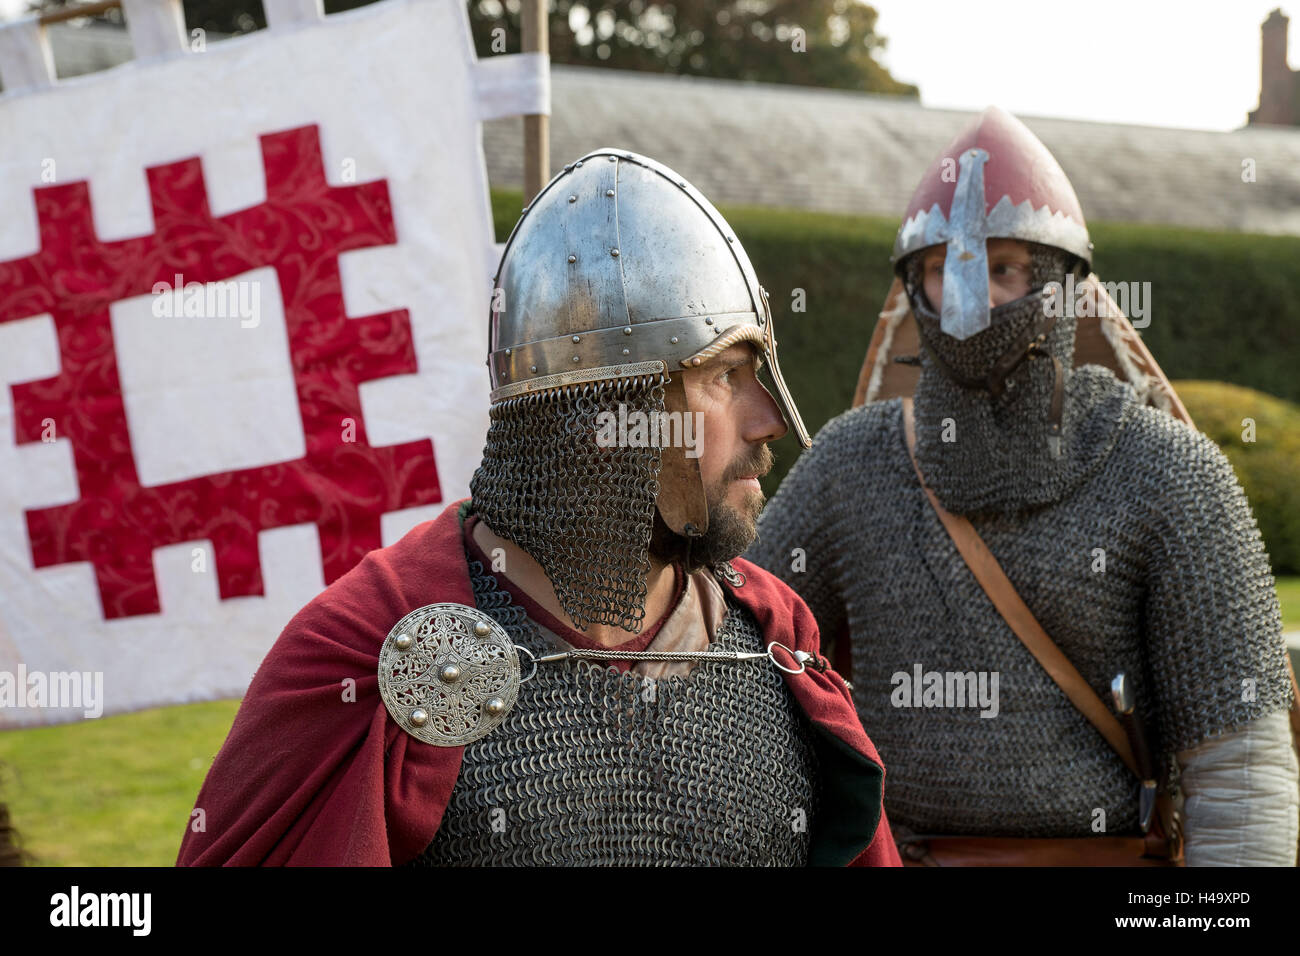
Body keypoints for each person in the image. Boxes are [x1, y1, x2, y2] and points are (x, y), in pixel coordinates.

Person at [176, 149, 901, 867]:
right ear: (603, 418)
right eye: (722, 376)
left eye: (759, 373)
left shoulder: (774, 642)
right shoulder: (374, 655)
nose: (769, 418)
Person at [748, 107, 1299, 866]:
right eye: (945, 268)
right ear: (914, 284)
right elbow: (744, 669)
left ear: (1063, 285)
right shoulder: (851, 468)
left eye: (1003, 267)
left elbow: (1239, 772)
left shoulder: (1170, 476)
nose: (971, 301)